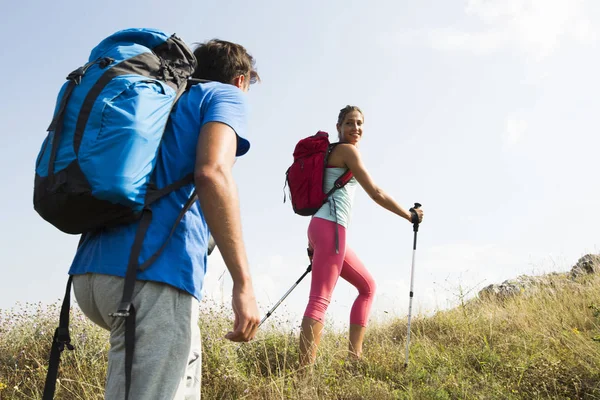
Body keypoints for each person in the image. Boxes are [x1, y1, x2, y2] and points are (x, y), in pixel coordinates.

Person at [68, 39, 261, 399]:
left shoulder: (162, 98)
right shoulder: (225, 96)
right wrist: (243, 283)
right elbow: (213, 173)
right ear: (240, 80)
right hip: (153, 274)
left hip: (93, 268)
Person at [298, 105, 424, 368]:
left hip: (320, 228)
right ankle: (303, 375)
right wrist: (408, 215)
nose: (355, 129)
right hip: (332, 228)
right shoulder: (348, 151)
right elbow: (376, 192)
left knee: (367, 287)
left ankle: (354, 360)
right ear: (338, 128)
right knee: (319, 300)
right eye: (349, 123)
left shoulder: (330, 152)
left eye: (359, 124)